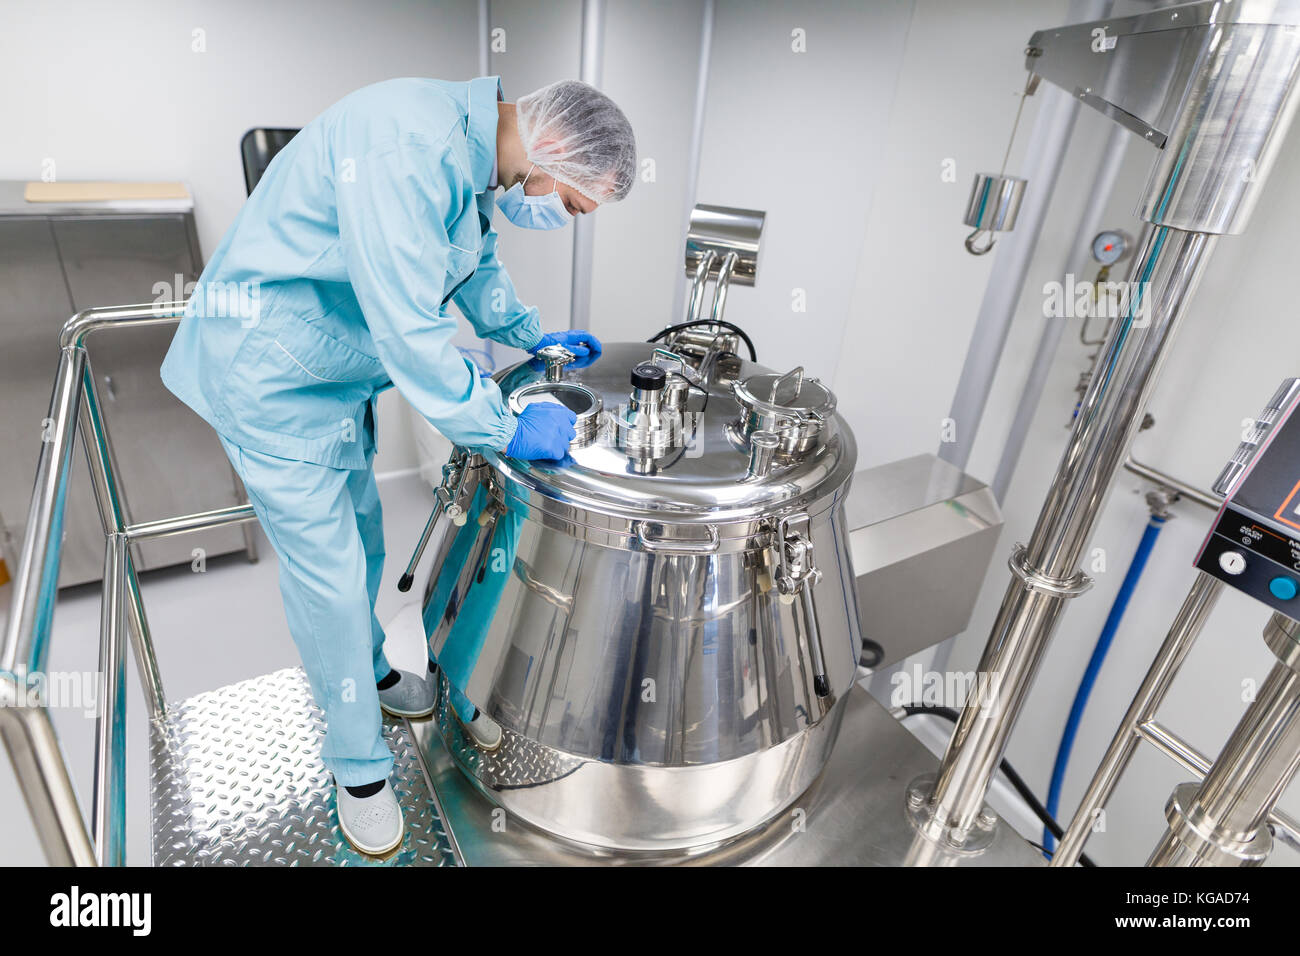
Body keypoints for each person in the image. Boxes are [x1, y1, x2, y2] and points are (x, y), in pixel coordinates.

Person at [160, 76, 636, 856]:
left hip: (328, 378)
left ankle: (374, 673)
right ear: (553, 148)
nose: (565, 218)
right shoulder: (408, 149)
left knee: (367, 540)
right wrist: (504, 428)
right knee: (330, 582)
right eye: (574, 206)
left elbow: (471, 267)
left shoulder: (473, 159)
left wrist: (531, 334)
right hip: (270, 380)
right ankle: (358, 773)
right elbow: (410, 333)